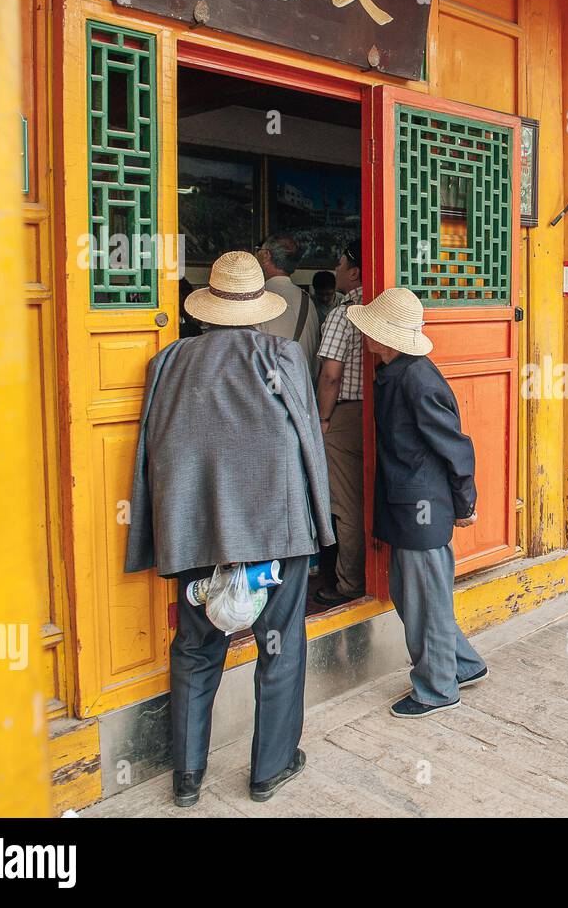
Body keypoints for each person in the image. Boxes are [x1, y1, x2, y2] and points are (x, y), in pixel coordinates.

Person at [124, 250, 335, 806]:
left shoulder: (167, 363)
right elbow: (308, 440)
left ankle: (187, 779)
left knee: (194, 647)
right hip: (275, 527)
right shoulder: (282, 356)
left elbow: (153, 452)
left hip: (194, 529)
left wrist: (153, 529)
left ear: (205, 310)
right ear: (258, 310)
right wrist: (320, 520)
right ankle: (270, 768)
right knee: (279, 644)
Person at [345, 287, 488, 718]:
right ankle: (462, 664)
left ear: (385, 337)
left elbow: (455, 449)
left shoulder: (418, 380)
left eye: (370, 330)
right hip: (407, 507)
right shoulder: (397, 372)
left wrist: (465, 505)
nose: (364, 336)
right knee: (416, 597)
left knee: (423, 599)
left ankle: (436, 689)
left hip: (422, 510)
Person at [314, 240, 366, 606]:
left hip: (345, 415)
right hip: (377, 412)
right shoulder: (381, 306)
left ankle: (349, 584)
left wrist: (322, 418)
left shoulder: (343, 314)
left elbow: (331, 375)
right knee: (369, 498)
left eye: (340, 262)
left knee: (346, 506)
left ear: (354, 272)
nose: (335, 269)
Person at [254, 234, 321, 380]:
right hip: (301, 391)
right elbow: (316, 359)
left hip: (270, 394)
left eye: (259, 250)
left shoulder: (258, 299)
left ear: (266, 255)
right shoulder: (307, 301)